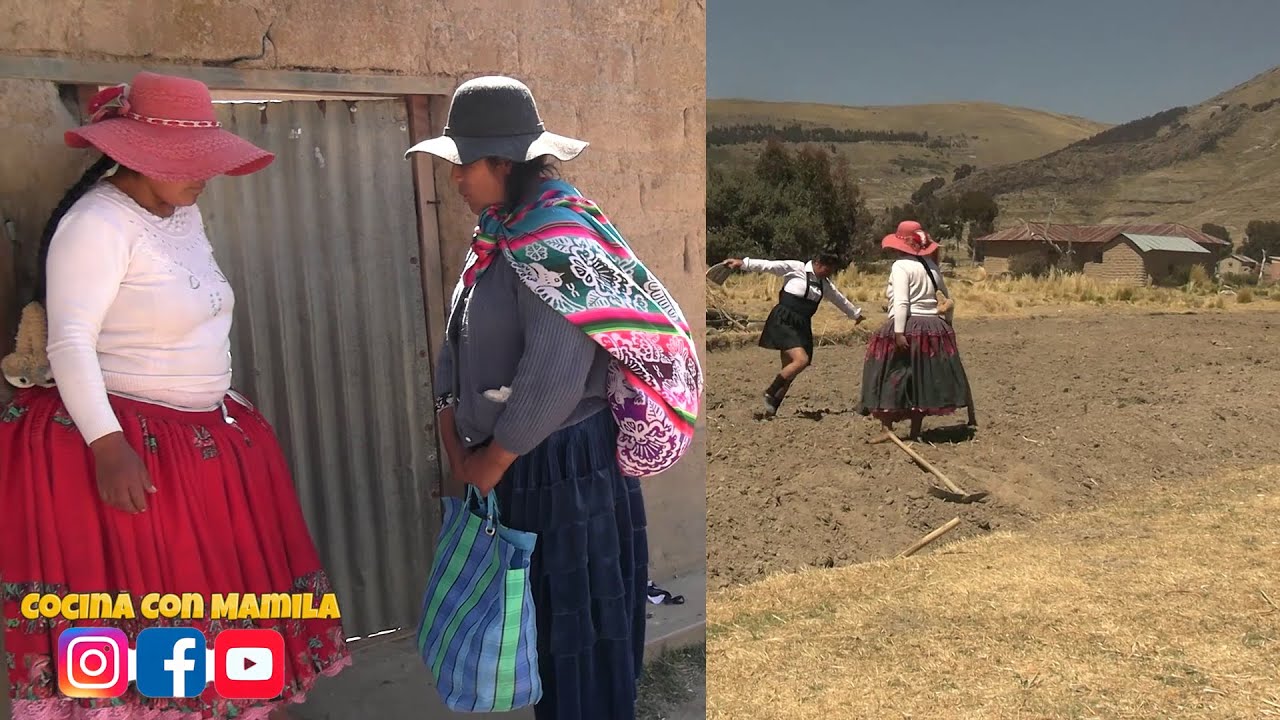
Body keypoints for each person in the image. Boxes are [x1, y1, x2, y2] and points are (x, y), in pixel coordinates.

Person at [0, 72, 350, 719]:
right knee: (161, 613)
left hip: (196, 439)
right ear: (134, 154)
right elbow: (70, 341)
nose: (200, 176)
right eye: (184, 163)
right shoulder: (98, 224)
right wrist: (108, 447)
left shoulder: (180, 214)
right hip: (132, 444)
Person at [405, 76, 701, 720]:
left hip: (562, 468)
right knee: (547, 632)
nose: (454, 179)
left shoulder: (552, 244)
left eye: (462, 165)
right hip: (533, 462)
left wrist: (493, 458)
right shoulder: (511, 229)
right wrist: (457, 425)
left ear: (501, 164)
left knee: (576, 642)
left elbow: (556, 371)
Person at [857, 220, 977, 438]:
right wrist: (947, 323)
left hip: (909, 325)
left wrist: (899, 332)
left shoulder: (901, 266)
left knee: (888, 373)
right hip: (933, 328)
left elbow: (902, 301)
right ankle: (914, 431)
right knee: (921, 378)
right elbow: (947, 298)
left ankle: (887, 428)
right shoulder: (931, 266)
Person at [723, 252, 865, 417]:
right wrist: (742, 263)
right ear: (818, 263)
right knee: (801, 360)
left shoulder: (824, 284)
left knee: (790, 368)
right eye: (827, 269)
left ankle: (772, 407)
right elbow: (768, 266)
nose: (828, 274)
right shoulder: (795, 267)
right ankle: (770, 391)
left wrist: (855, 314)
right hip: (784, 319)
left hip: (802, 324)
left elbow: (838, 299)